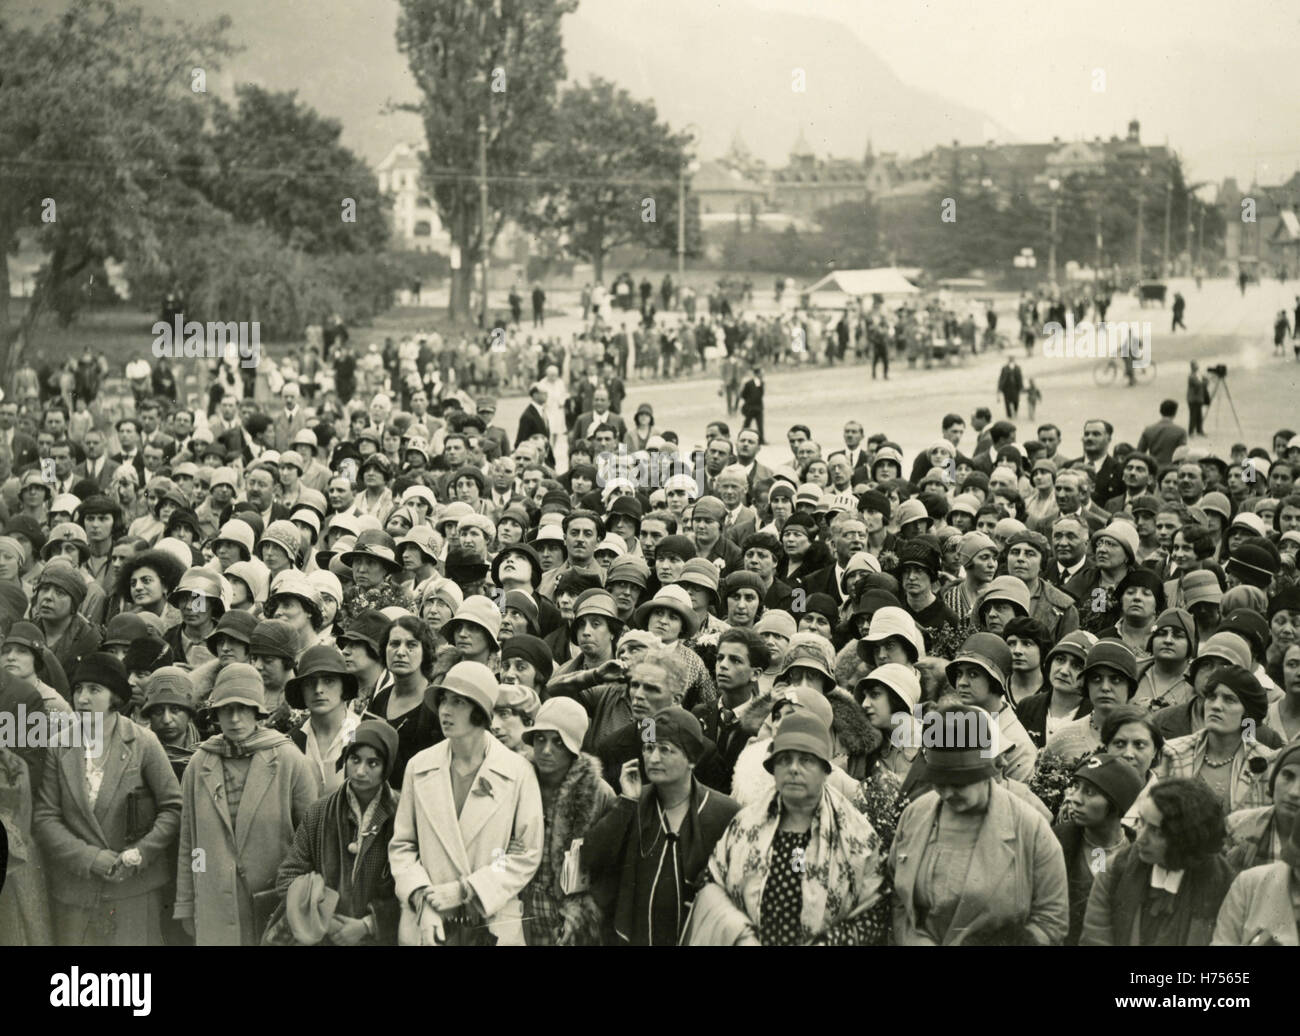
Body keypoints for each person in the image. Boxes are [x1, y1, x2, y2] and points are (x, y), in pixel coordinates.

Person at [690, 712, 889, 945]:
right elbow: (711, 884)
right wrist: (740, 934)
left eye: (806, 760)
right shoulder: (745, 824)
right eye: (785, 759)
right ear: (773, 768)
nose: (794, 769)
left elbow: (874, 911)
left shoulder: (856, 834)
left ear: (825, 770)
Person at [389, 661, 543, 945]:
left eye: (458, 702)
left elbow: (525, 854)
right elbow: (403, 846)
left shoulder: (518, 771)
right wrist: (422, 898)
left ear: (480, 711)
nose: (445, 710)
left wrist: (467, 889)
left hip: (491, 922)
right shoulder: (419, 766)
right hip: (429, 922)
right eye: (444, 700)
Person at [33, 654, 182, 945]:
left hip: (133, 889)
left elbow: (172, 808)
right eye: (78, 689)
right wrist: (90, 858)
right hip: (77, 890)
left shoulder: (143, 742)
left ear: (114, 697)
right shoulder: (58, 745)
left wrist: (140, 854)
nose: (83, 698)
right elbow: (45, 817)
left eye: (94, 690)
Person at [889, 703, 1069, 945]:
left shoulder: (1030, 828)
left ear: (985, 771)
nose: (948, 792)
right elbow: (898, 895)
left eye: (960, 782)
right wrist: (912, 939)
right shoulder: (915, 815)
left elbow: (1052, 919)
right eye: (940, 782)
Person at [175, 663, 317, 945]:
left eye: (243, 708)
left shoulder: (289, 761)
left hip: (273, 905)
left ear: (258, 712)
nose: (236, 718)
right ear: (215, 714)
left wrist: (301, 902)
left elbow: (312, 841)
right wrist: (189, 900)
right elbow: (191, 844)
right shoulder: (200, 763)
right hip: (215, 905)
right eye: (227, 709)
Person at [582, 705, 741, 945]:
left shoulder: (724, 812)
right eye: (648, 748)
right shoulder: (631, 802)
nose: (654, 758)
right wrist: (626, 802)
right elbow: (591, 858)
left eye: (666, 750)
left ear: (692, 759)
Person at [266, 721, 401, 945]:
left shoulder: (404, 813)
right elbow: (288, 875)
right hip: (323, 936)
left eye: (373, 763)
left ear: (387, 767)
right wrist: (324, 917)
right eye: (354, 759)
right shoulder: (319, 812)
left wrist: (368, 924)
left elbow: (414, 887)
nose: (360, 771)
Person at [1080, 778, 1234, 945]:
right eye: (1141, 822)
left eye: (1157, 831)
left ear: (1187, 838)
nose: (1140, 839)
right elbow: (1095, 940)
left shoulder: (1225, 886)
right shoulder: (1115, 870)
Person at [518, 698, 618, 945]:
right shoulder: (517, 781)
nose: (546, 750)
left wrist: (583, 914)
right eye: (540, 739)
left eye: (558, 742)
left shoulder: (599, 793)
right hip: (519, 914)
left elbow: (610, 869)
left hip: (568, 924)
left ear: (574, 749)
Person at [1157, 664, 1276, 812]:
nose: (1216, 706)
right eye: (1211, 697)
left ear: (1247, 713)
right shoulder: (1173, 752)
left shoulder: (1266, 763)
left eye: (1229, 699)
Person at [1053, 755, 1145, 944]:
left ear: (1116, 803)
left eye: (1089, 792)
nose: (1075, 799)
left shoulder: (1140, 853)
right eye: (1076, 787)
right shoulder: (1055, 843)